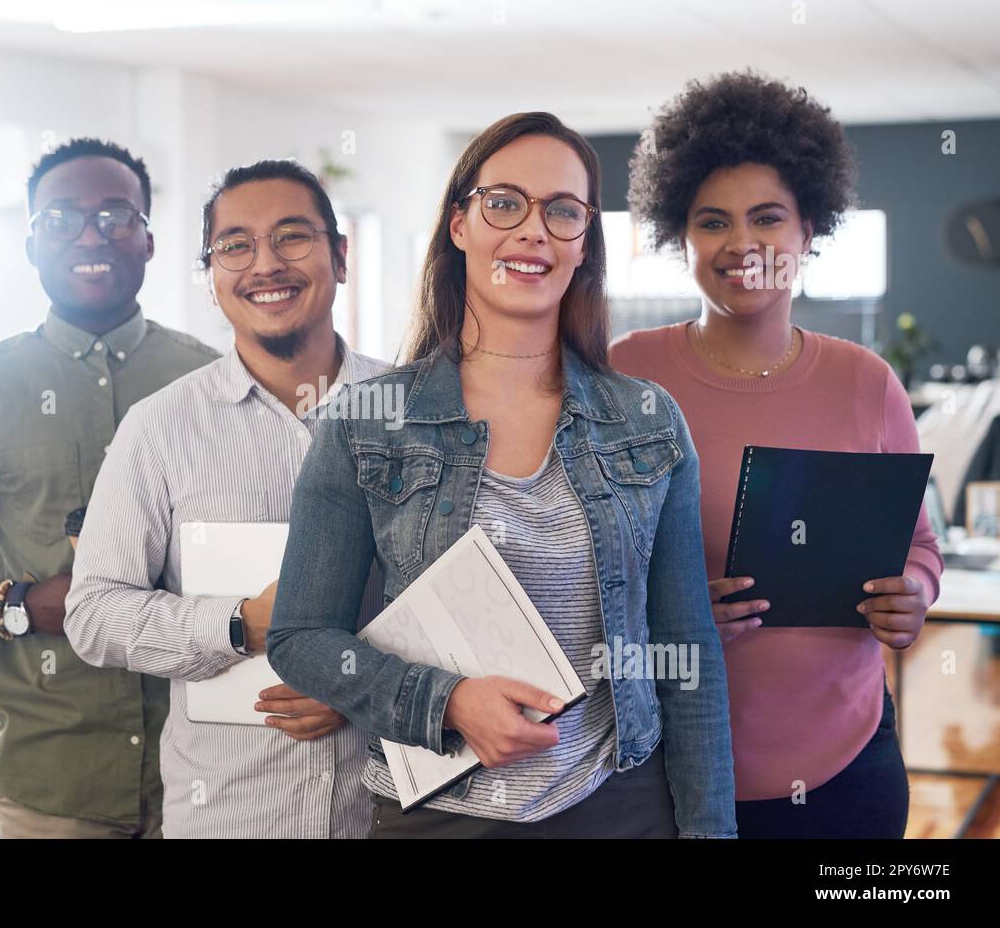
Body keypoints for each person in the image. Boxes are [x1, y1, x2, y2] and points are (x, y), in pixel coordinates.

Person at [266, 113, 736, 838]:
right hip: (438, 813)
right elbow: (299, 635)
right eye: (504, 203)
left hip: (618, 804)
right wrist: (445, 700)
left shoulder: (646, 418)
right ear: (460, 223)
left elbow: (688, 647)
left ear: (584, 242)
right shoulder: (367, 420)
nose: (533, 231)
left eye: (563, 211)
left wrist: (710, 830)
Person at [611, 70, 943, 838]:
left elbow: (919, 544)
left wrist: (914, 594)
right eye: (712, 221)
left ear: (809, 230)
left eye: (767, 218)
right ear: (679, 234)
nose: (742, 245)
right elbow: (572, 560)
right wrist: (676, 620)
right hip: (674, 770)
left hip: (850, 766)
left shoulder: (868, 383)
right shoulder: (627, 374)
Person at [0, 138, 218, 838]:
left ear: (148, 239)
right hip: (55, 788)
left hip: (210, 776)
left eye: (116, 215)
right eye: (61, 218)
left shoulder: (210, 380)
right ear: (31, 245)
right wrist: (18, 606)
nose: (91, 235)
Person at [65, 159, 389, 838]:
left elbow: (466, 597)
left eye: (292, 237)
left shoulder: (414, 412)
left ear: (341, 254)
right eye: (236, 246)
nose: (264, 263)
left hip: (391, 814)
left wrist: (363, 683)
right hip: (232, 817)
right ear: (212, 278)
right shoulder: (159, 428)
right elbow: (93, 613)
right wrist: (240, 623)